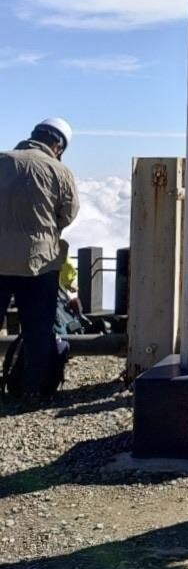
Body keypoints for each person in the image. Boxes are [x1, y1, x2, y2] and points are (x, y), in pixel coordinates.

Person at [0, 117, 79, 400]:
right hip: (39, 264)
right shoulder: (60, 171)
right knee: (37, 330)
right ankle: (32, 390)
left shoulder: (2, 159)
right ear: (58, 145)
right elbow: (67, 214)